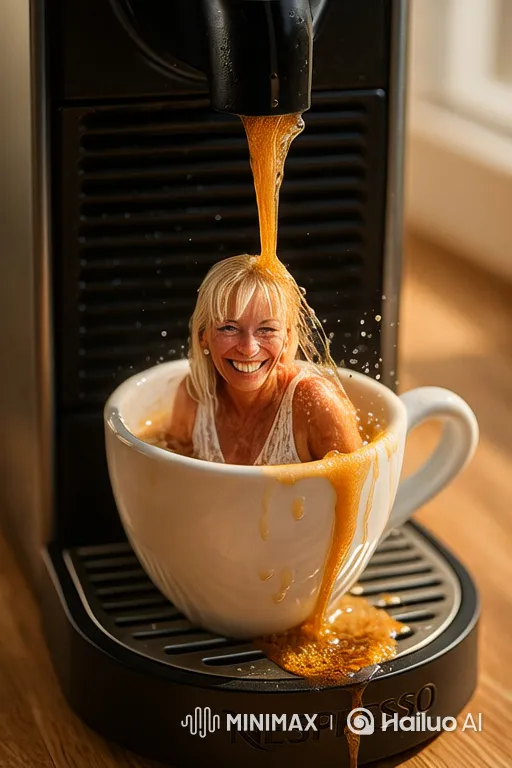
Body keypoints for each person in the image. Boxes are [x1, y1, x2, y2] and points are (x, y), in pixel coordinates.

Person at [155, 254, 362, 465]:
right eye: (229, 328)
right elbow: (173, 481)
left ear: (287, 337)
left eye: (267, 329)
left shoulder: (317, 405)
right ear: (203, 337)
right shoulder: (193, 396)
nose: (248, 348)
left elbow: (359, 493)